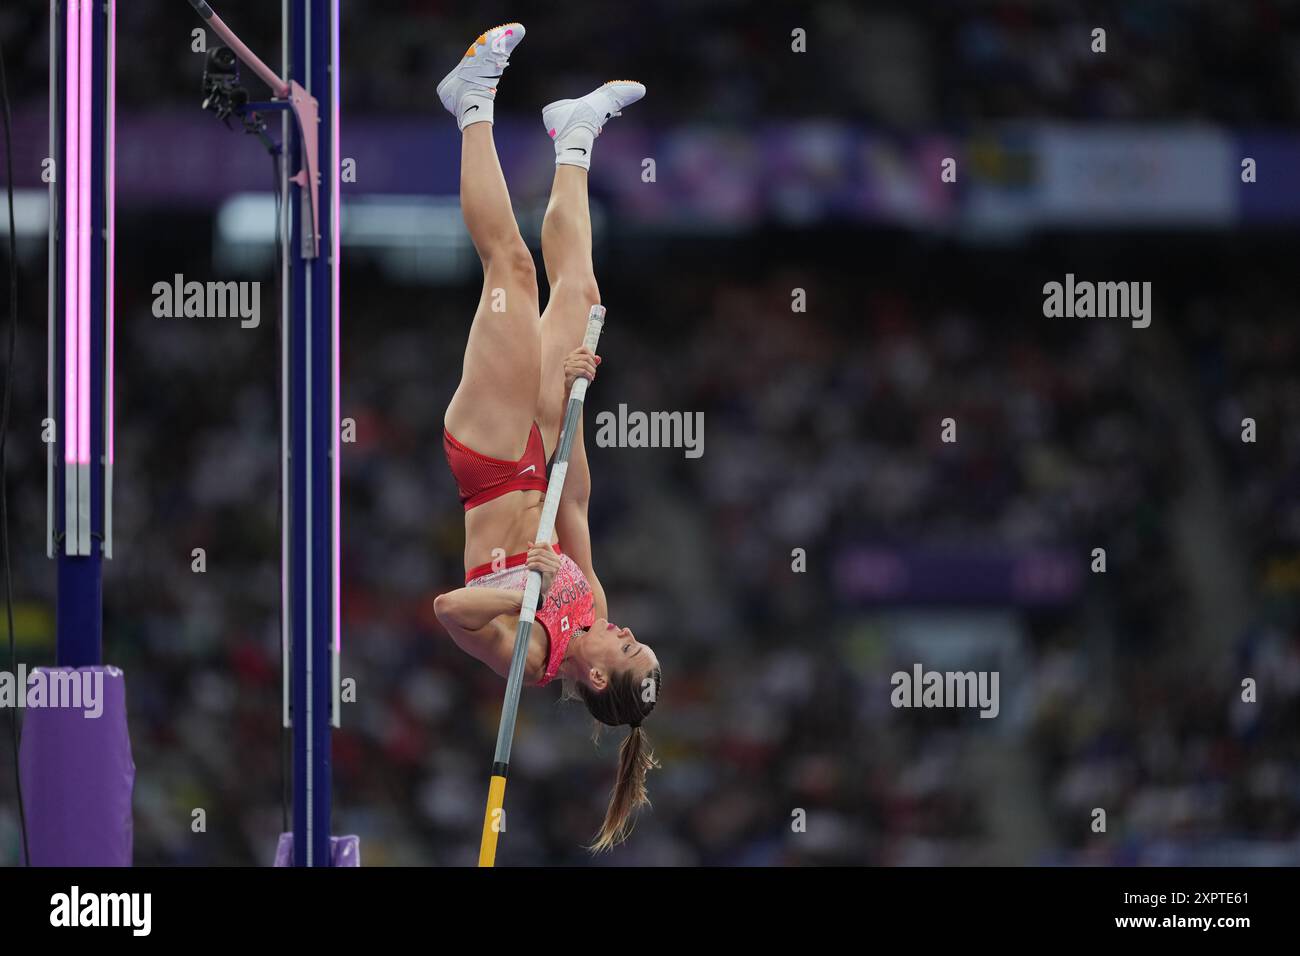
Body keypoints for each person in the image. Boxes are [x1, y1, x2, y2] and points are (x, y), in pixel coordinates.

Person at [431, 23, 661, 852]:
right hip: (541, 445)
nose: (628, 629)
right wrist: (577, 398)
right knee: (580, 289)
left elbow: (451, 608)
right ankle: (574, 136)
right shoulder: (592, 604)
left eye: (628, 650)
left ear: (596, 674)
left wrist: (515, 592)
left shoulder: (527, 662)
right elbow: (578, 503)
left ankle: (471, 106)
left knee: (512, 273)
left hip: (488, 462)